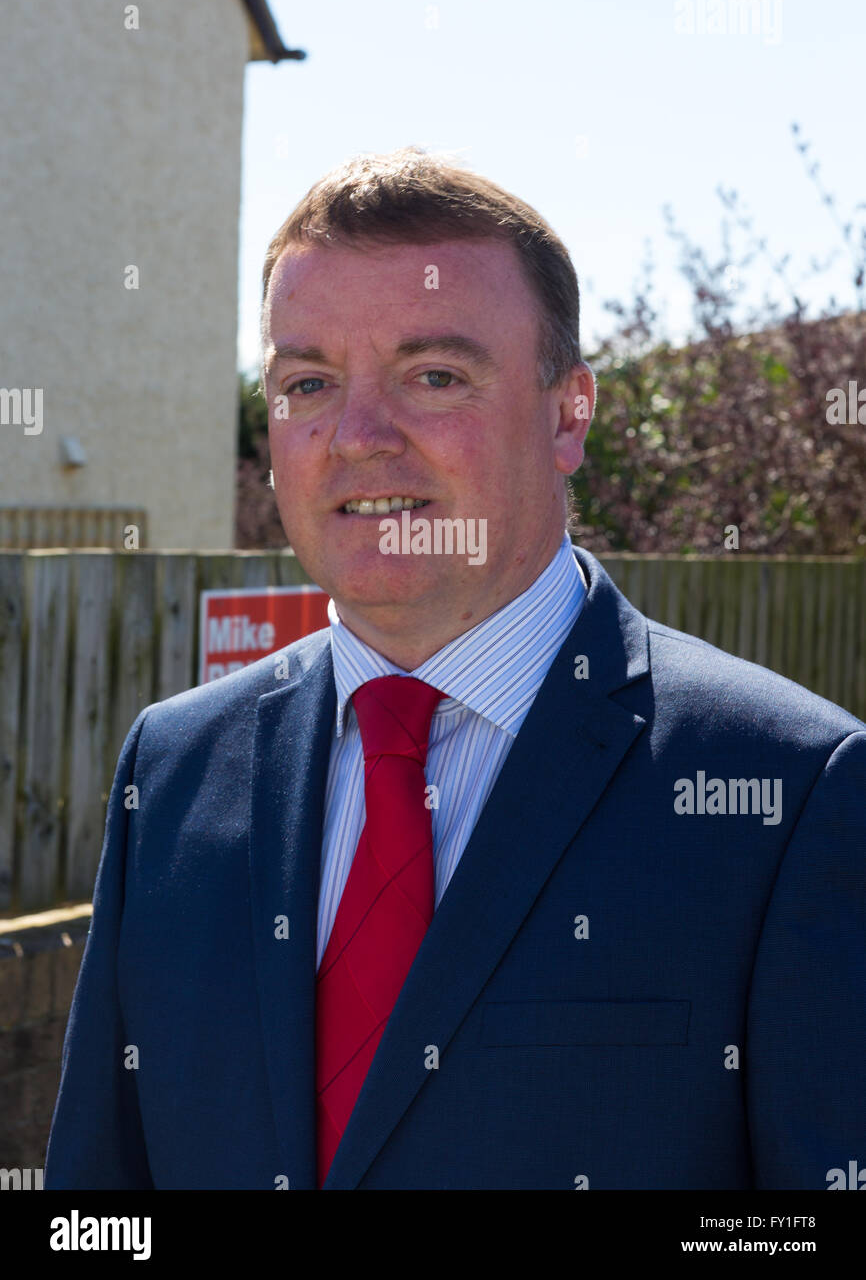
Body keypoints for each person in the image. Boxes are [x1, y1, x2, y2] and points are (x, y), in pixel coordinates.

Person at [45, 147, 866, 1190]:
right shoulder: (170, 773)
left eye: (433, 376)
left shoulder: (790, 793)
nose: (356, 437)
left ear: (568, 415)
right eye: (308, 383)